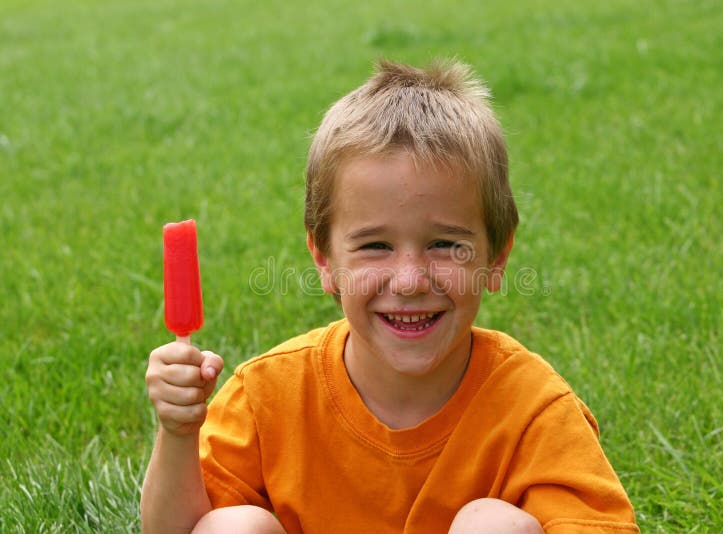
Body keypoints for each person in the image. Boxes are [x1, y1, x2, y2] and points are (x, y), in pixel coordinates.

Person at [141, 59, 639, 534]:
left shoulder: (532, 408)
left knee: (494, 524)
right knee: (230, 525)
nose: (409, 280)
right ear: (324, 259)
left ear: (497, 256)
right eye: (376, 245)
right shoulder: (267, 397)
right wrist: (178, 435)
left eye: (445, 244)